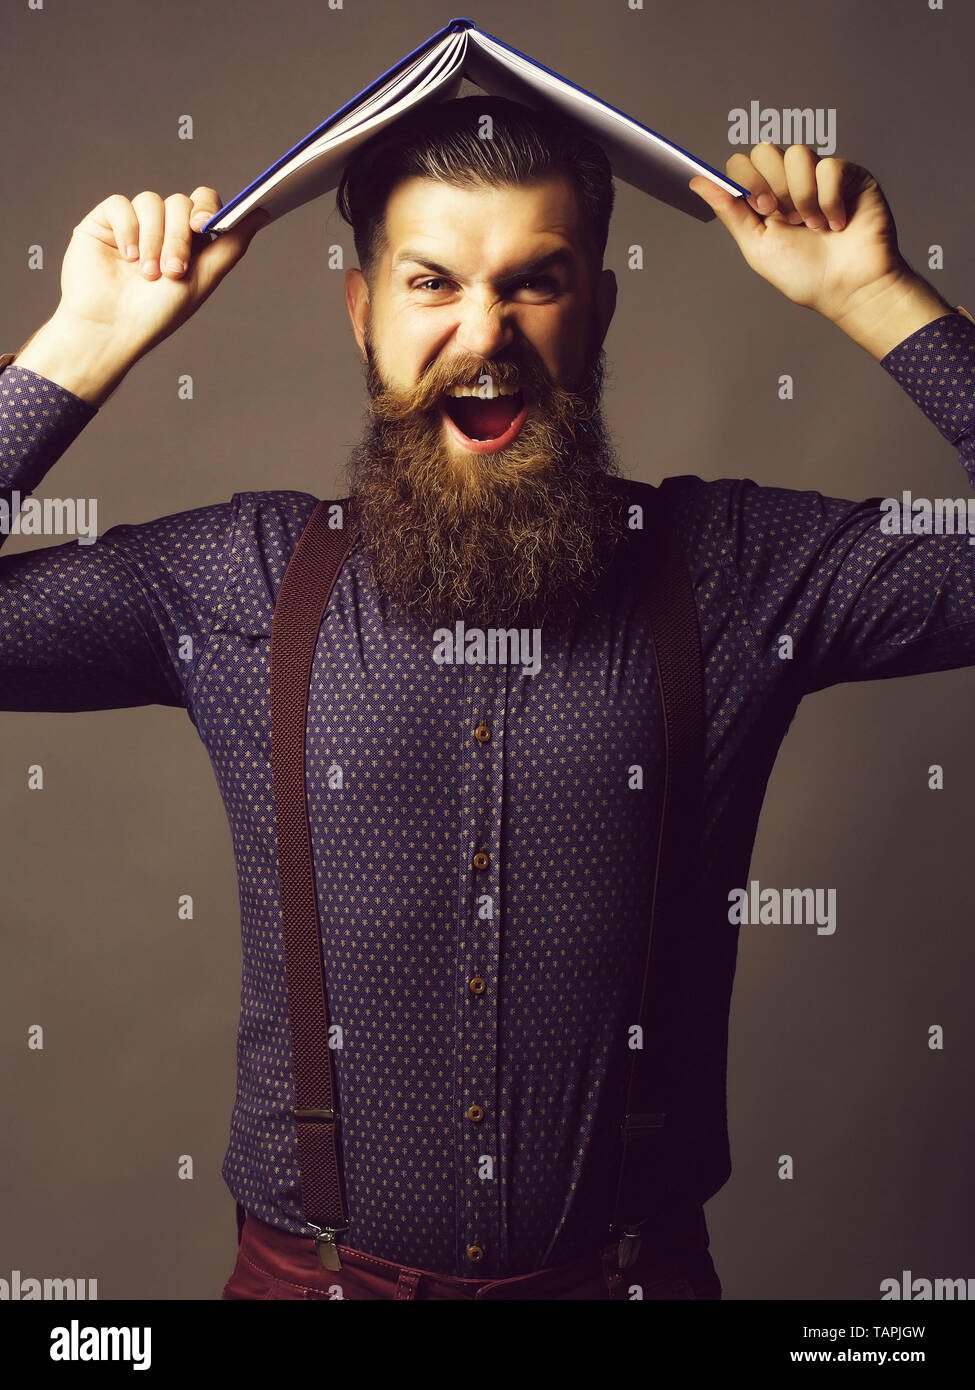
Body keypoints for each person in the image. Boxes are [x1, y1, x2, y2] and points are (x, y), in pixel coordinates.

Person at [2, 96, 973, 1301]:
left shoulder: (732, 567)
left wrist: (874, 299)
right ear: (362, 314)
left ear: (601, 311)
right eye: (431, 284)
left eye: (536, 282)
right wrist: (85, 343)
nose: (484, 334)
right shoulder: (236, 583)